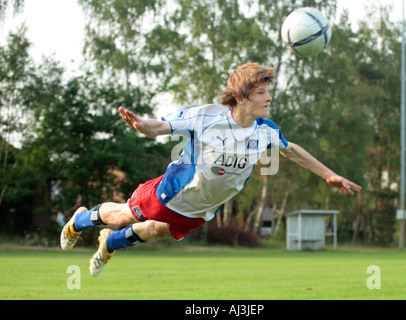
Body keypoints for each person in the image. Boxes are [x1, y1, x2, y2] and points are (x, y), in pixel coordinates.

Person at [60, 63, 361, 276]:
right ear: (242, 98)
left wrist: (328, 174)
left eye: (268, 91)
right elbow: (161, 126)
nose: (269, 98)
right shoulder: (205, 117)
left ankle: (109, 243)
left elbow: (291, 149)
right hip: (174, 193)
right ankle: (79, 221)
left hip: (205, 207)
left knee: (154, 230)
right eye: (260, 93)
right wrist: (143, 126)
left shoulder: (266, 130)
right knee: (124, 214)